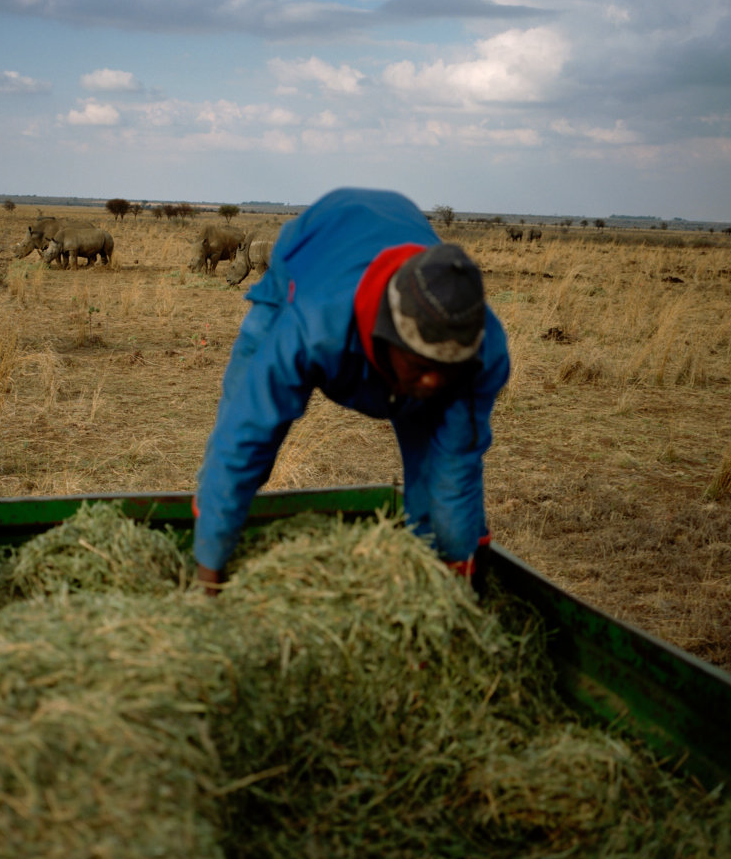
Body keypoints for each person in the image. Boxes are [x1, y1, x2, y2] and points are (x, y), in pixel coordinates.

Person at [192, 187, 510, 594]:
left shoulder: (483, 351)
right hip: (307, 265)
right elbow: (244, 437)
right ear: (385, 336)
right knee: (241, 433)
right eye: (420, 365)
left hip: (390, 245)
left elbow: (455, 469)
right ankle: (212, 548)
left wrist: (455, 590)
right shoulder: (309, 327)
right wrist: (210, 581)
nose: (431, 382)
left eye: (444, 368)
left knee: (437, 478)